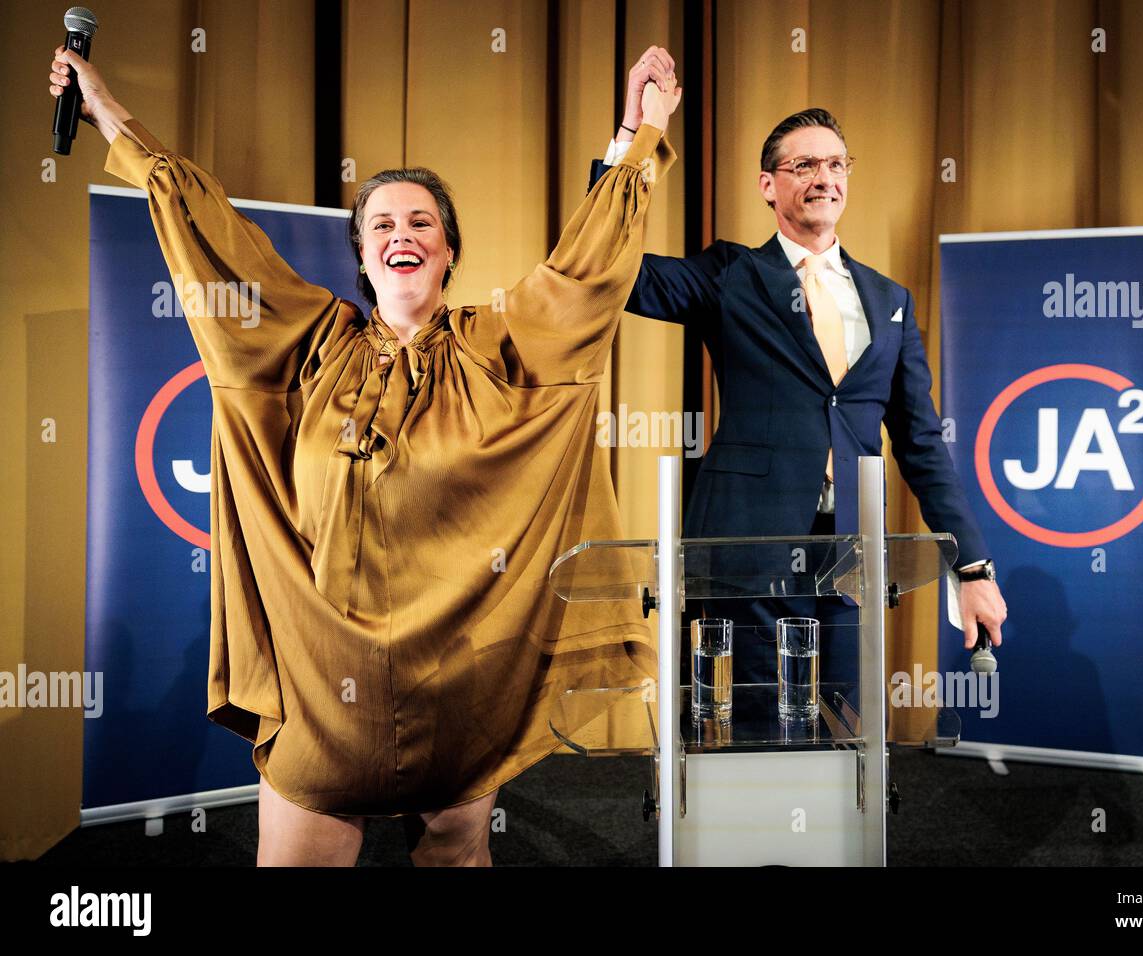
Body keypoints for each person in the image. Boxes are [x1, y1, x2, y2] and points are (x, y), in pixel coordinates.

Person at [50, 44, 681, 866]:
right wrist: (108, 114)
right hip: (321, 689)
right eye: (382, 223)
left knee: (456, 854)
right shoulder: (304, 341)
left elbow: (586, 272)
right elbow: (212, 237)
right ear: (361, 255)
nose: (402, 234)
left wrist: (637, 134)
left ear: (450, 250)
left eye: (422, 222)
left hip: (463, 685)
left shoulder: (505, 346)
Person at [594, 51, 1006, 688]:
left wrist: (973, 568)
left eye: (837, 164)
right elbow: (606, 266)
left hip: (850, 556)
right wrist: (633, 136)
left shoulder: (890, 300)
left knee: (846, 740)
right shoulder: (728, 275)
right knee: (750, 738)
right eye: (804, 164)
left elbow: (922, 443)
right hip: (744, 549)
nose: (825, 178)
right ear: (768, 185)